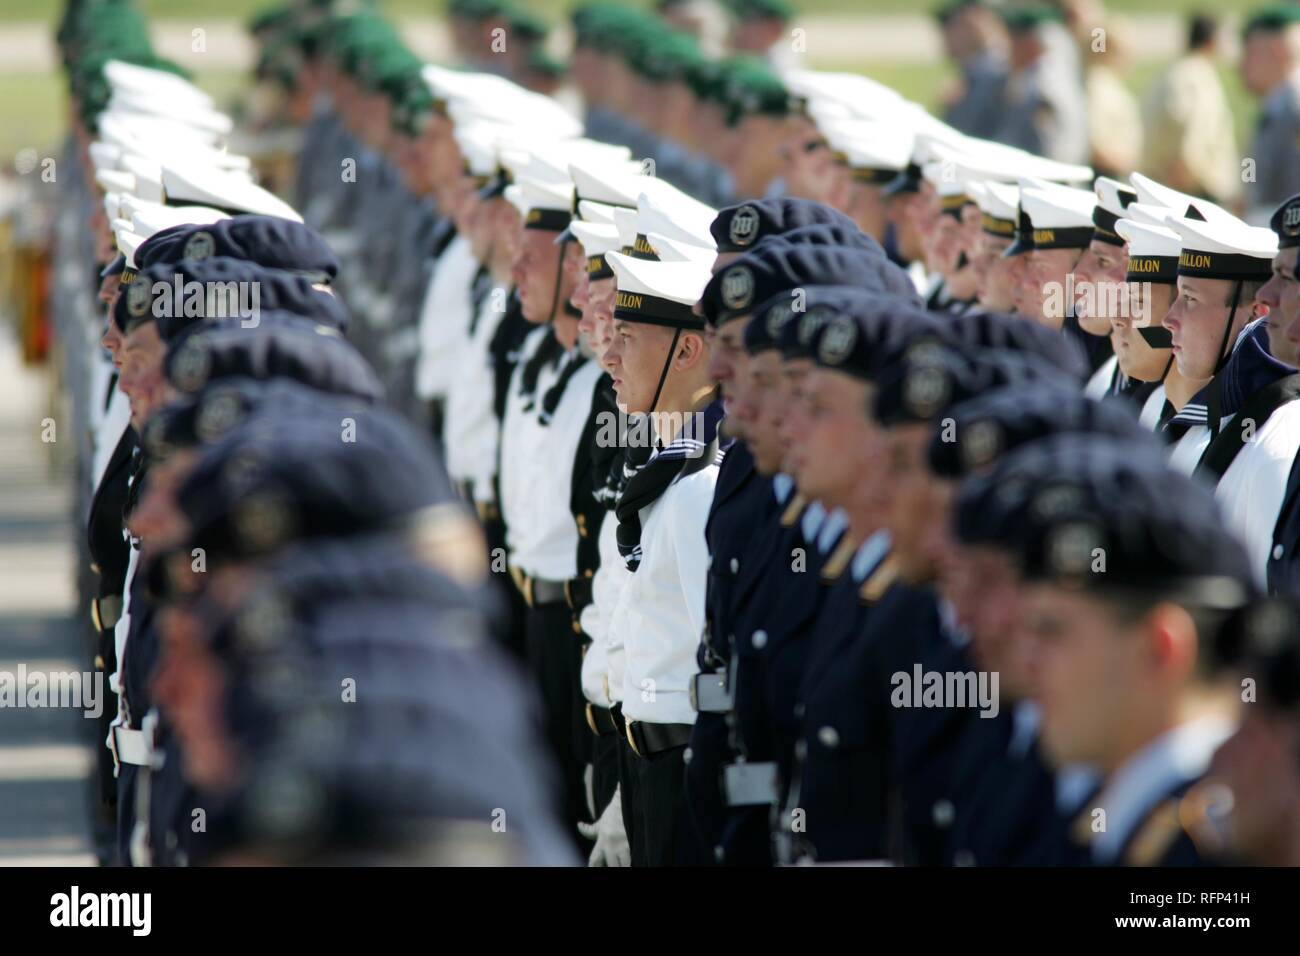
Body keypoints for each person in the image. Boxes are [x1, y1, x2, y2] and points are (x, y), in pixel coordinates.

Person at [602, 251, 720, 865]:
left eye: (627, 337)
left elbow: (721, 666)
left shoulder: (701, 485)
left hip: (684, 772)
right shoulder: (668, 466)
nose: (609, 357)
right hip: (647, 761)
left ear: (686, 351)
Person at [1140, 14, 1240, 209]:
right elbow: (1192, 141)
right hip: (1195, 191)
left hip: (1164, 184)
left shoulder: (1170, 73)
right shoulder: (1199, 78)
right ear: (1213, 41)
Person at [1240, 5, 1300, 224]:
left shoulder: (1294, 106)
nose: (1242, 65)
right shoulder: (1271, 106)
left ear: (1278, 51)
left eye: (1251, 53)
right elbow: (1251, 170)